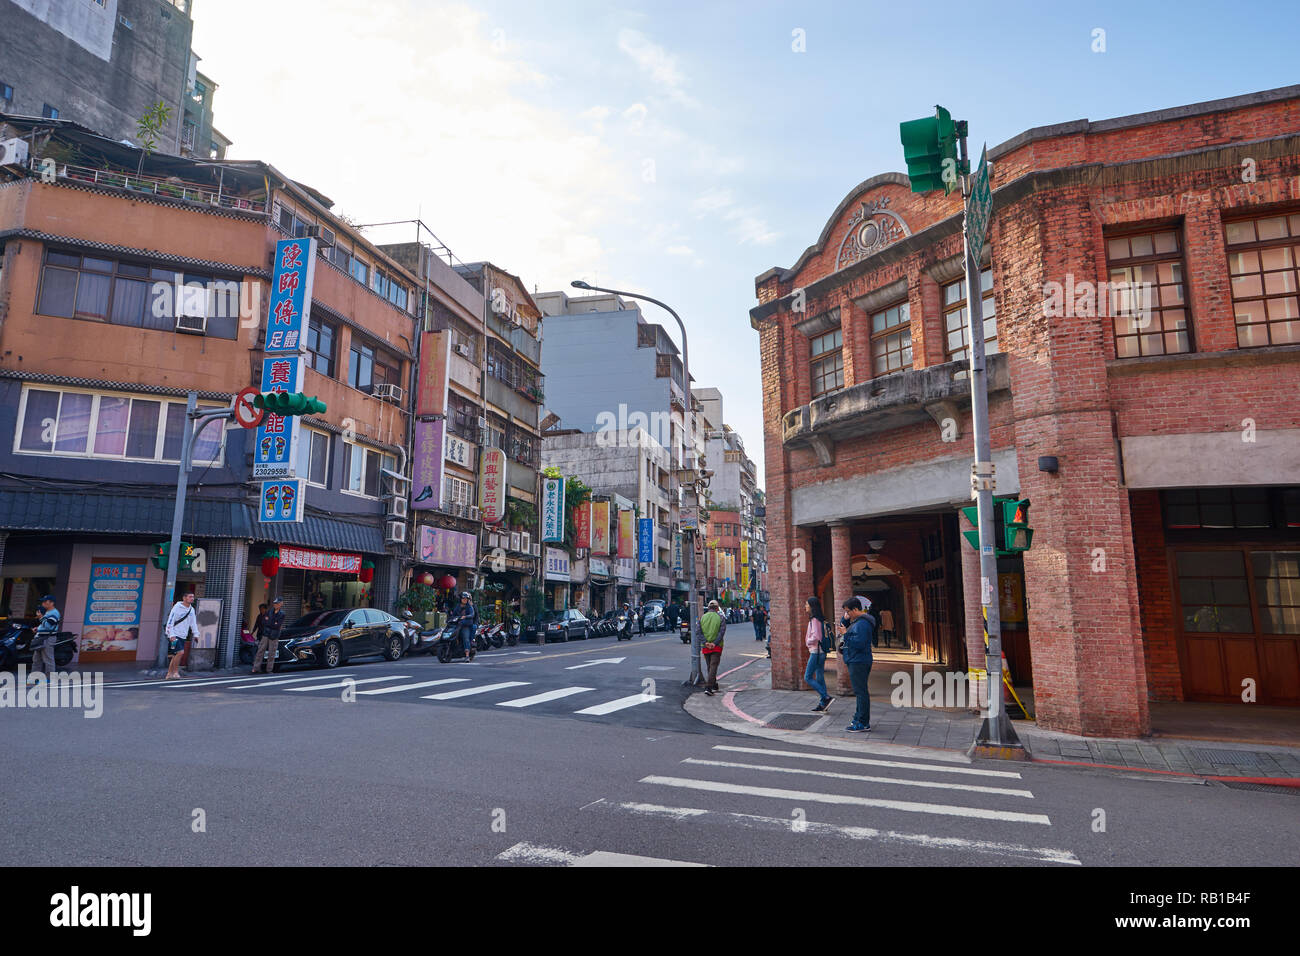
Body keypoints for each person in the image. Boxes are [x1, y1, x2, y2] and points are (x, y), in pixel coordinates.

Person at [836, 596, 876, 732]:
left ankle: (863, 722)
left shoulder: (863, 624)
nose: (847, 614)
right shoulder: (857, 622)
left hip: (859, 661)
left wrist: (846, 634)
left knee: (861, 692)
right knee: (860, 691)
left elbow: (859, 643)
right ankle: (859, 718)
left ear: (855, 609)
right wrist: (844, 621)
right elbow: (844, 631)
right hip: (855, 660)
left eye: (848, 611)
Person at [804, 597, 833, 712]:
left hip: (816, 652)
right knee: (820, 676)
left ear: (812, 606)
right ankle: (823, 704)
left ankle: (825, 697)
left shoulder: (814, 620)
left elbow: (816, 636)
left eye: (806, 604)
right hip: (821, 652)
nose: (805, 607)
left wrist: (808, 641)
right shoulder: (819, 619)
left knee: (808, 677)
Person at [164, 591, 199, 680]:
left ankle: (169, 674)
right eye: (190, 597)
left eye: (193, 597)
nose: (192, 598)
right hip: (174, 634)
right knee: (180, 652)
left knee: (175, 654)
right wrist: (171, 634)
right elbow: (170, 621)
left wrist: (196, 634)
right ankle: (175, 672)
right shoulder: (177, 608)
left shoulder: (191, 609)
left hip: (183, 635)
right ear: (184, 598)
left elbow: (193, 623)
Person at [697, 599, 727, 695]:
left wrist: (705, 643)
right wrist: (714, 643)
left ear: (709, 608)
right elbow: (721, 632)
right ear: (717, 608)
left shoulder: (702, 618)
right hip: (717, 646)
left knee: (709, 666)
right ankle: (709, 687)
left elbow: (698, 632)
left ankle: (713, 684)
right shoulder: (721, 617)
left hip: (705, 646)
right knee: (713, 666)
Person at [28, 594, 61, 681]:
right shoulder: (48, 612)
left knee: (48, 659)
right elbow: (44, 625)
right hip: (41, 638)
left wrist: (41, 617)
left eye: (45, 601)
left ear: (51, 603)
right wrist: (38, 628)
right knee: (36, 660)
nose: (42, 603)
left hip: (48, 638)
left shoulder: (54, 613)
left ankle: (50, 679)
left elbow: (48, 626)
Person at [250, 598, 285, 674]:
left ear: (281, 604)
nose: (275, 605)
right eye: (274, 603)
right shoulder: (269, 611)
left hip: (274, 635)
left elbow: (278, 625)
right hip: (266, 633)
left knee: (271, 653)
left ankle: (269, 669)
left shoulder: (282, 614)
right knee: (260, 651)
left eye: (277, 603)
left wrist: (270, 622)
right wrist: (273, 623)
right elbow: (264, 622)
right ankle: (255, 668)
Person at [449, 591, 478, 660]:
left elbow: (472, 614)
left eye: (466, 598)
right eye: (463, 598)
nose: (464, 600)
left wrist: (466, 616)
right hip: (457, 625)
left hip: (466, 625)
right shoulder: (458, 606)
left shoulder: (470, 607)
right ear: (461, 599)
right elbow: (453, 615)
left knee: (466, 639)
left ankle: (467, 656)